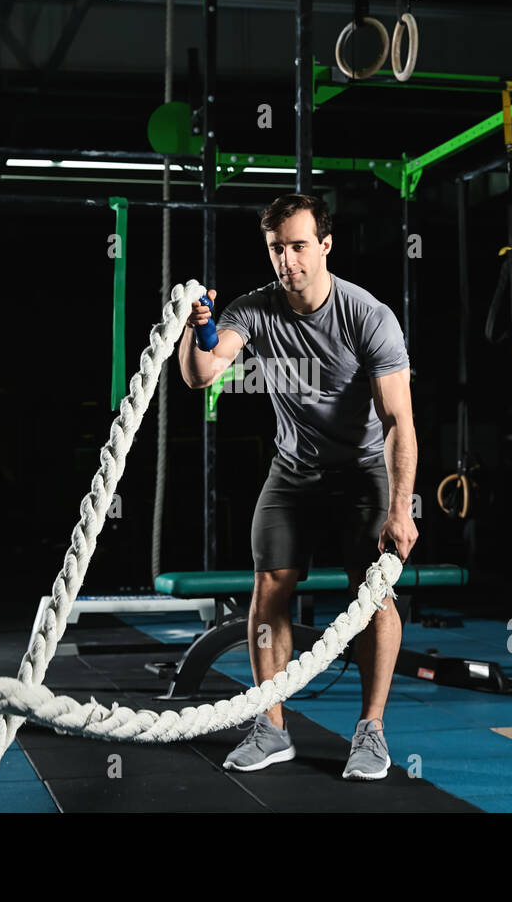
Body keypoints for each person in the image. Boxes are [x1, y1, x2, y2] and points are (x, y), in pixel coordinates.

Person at [178, 193, 418, 781]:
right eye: (276, 249)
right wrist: (195, 327)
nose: (287, 260)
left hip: (363, 469)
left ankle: (371, 731)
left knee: (373, 596)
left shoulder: (368, 316)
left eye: (298, 246)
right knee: (269, 588)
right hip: (293, 471)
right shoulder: (253, 310)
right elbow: (201, 374)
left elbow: (398, 423)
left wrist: (399, 507)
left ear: (325, 245)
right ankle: (271, 727)